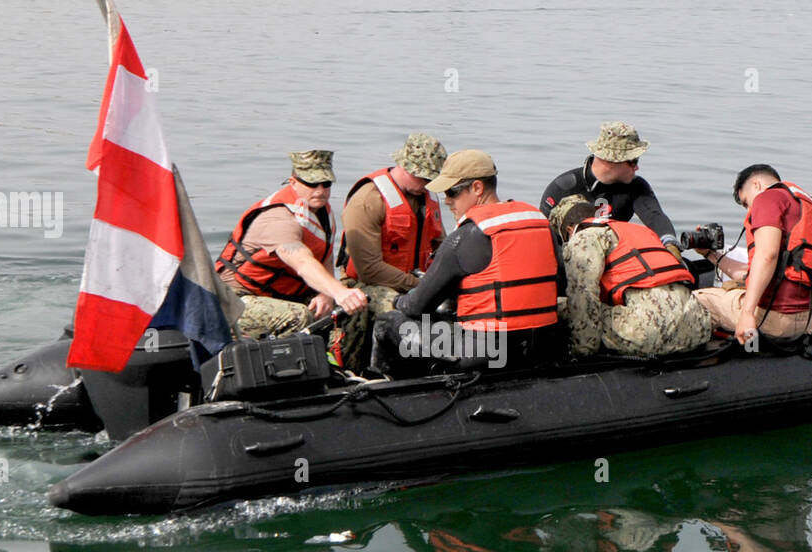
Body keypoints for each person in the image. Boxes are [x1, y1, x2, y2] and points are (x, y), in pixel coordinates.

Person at [373, 150, 564, 376]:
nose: (447, 201)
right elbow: (560, 283)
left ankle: (392, 390)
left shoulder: (464, 237)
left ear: (477, 188)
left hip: (488, 354)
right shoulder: (540, 223)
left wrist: (398, 301)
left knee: (387, 323)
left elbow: (417, 306)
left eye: (452, 192)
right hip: (542, 346)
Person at [215, 150, 366, 338]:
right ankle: (286, 365)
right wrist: (338, 291)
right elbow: (302, 262)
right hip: (236, 300)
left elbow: (325, 259)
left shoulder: (322, 212)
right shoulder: (278, 218)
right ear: (293, 182)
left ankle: (345, 364)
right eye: (311, 183)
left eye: (325, 183)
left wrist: (327, 294)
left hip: (284, 295)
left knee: (352, 311)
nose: (320, 190)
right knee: (298, 316)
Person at [335, 133, 448, 371]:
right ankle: (358, 370)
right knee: (400, 311)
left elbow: (442, 247)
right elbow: (369, 270)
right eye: (423, 177)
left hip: (415, 282)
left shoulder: (427, 196)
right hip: (365, 285)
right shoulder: (368, 198)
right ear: (406, 167)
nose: (427, 184)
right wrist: (420, 287)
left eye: (431, 179)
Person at [549, 194, 712, 357]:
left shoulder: (583, 237)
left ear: (570, 231)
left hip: (650, 332)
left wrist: (583, 351)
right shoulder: (639, 230)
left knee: (563, 305)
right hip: (698, 328)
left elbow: (583, 295)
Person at [692, 164, 812, 347]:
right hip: (809, 320)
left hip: (776, 318)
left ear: (756, 185)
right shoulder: (803, 205)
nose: (748, 209)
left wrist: (747, 313)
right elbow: (751, 273)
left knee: (698, 299)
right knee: (735, 289)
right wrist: (711, 255)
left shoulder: (767, 198)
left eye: (745, 202)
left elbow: (768, 256)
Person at [540, 121, 678, 247]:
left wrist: (670, 243)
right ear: (610, 161)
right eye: (633, 161)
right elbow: (545, 238)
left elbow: (655, 216)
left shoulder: (636, 186)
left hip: (617, 259)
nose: (636, 168)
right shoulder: (563, 188)